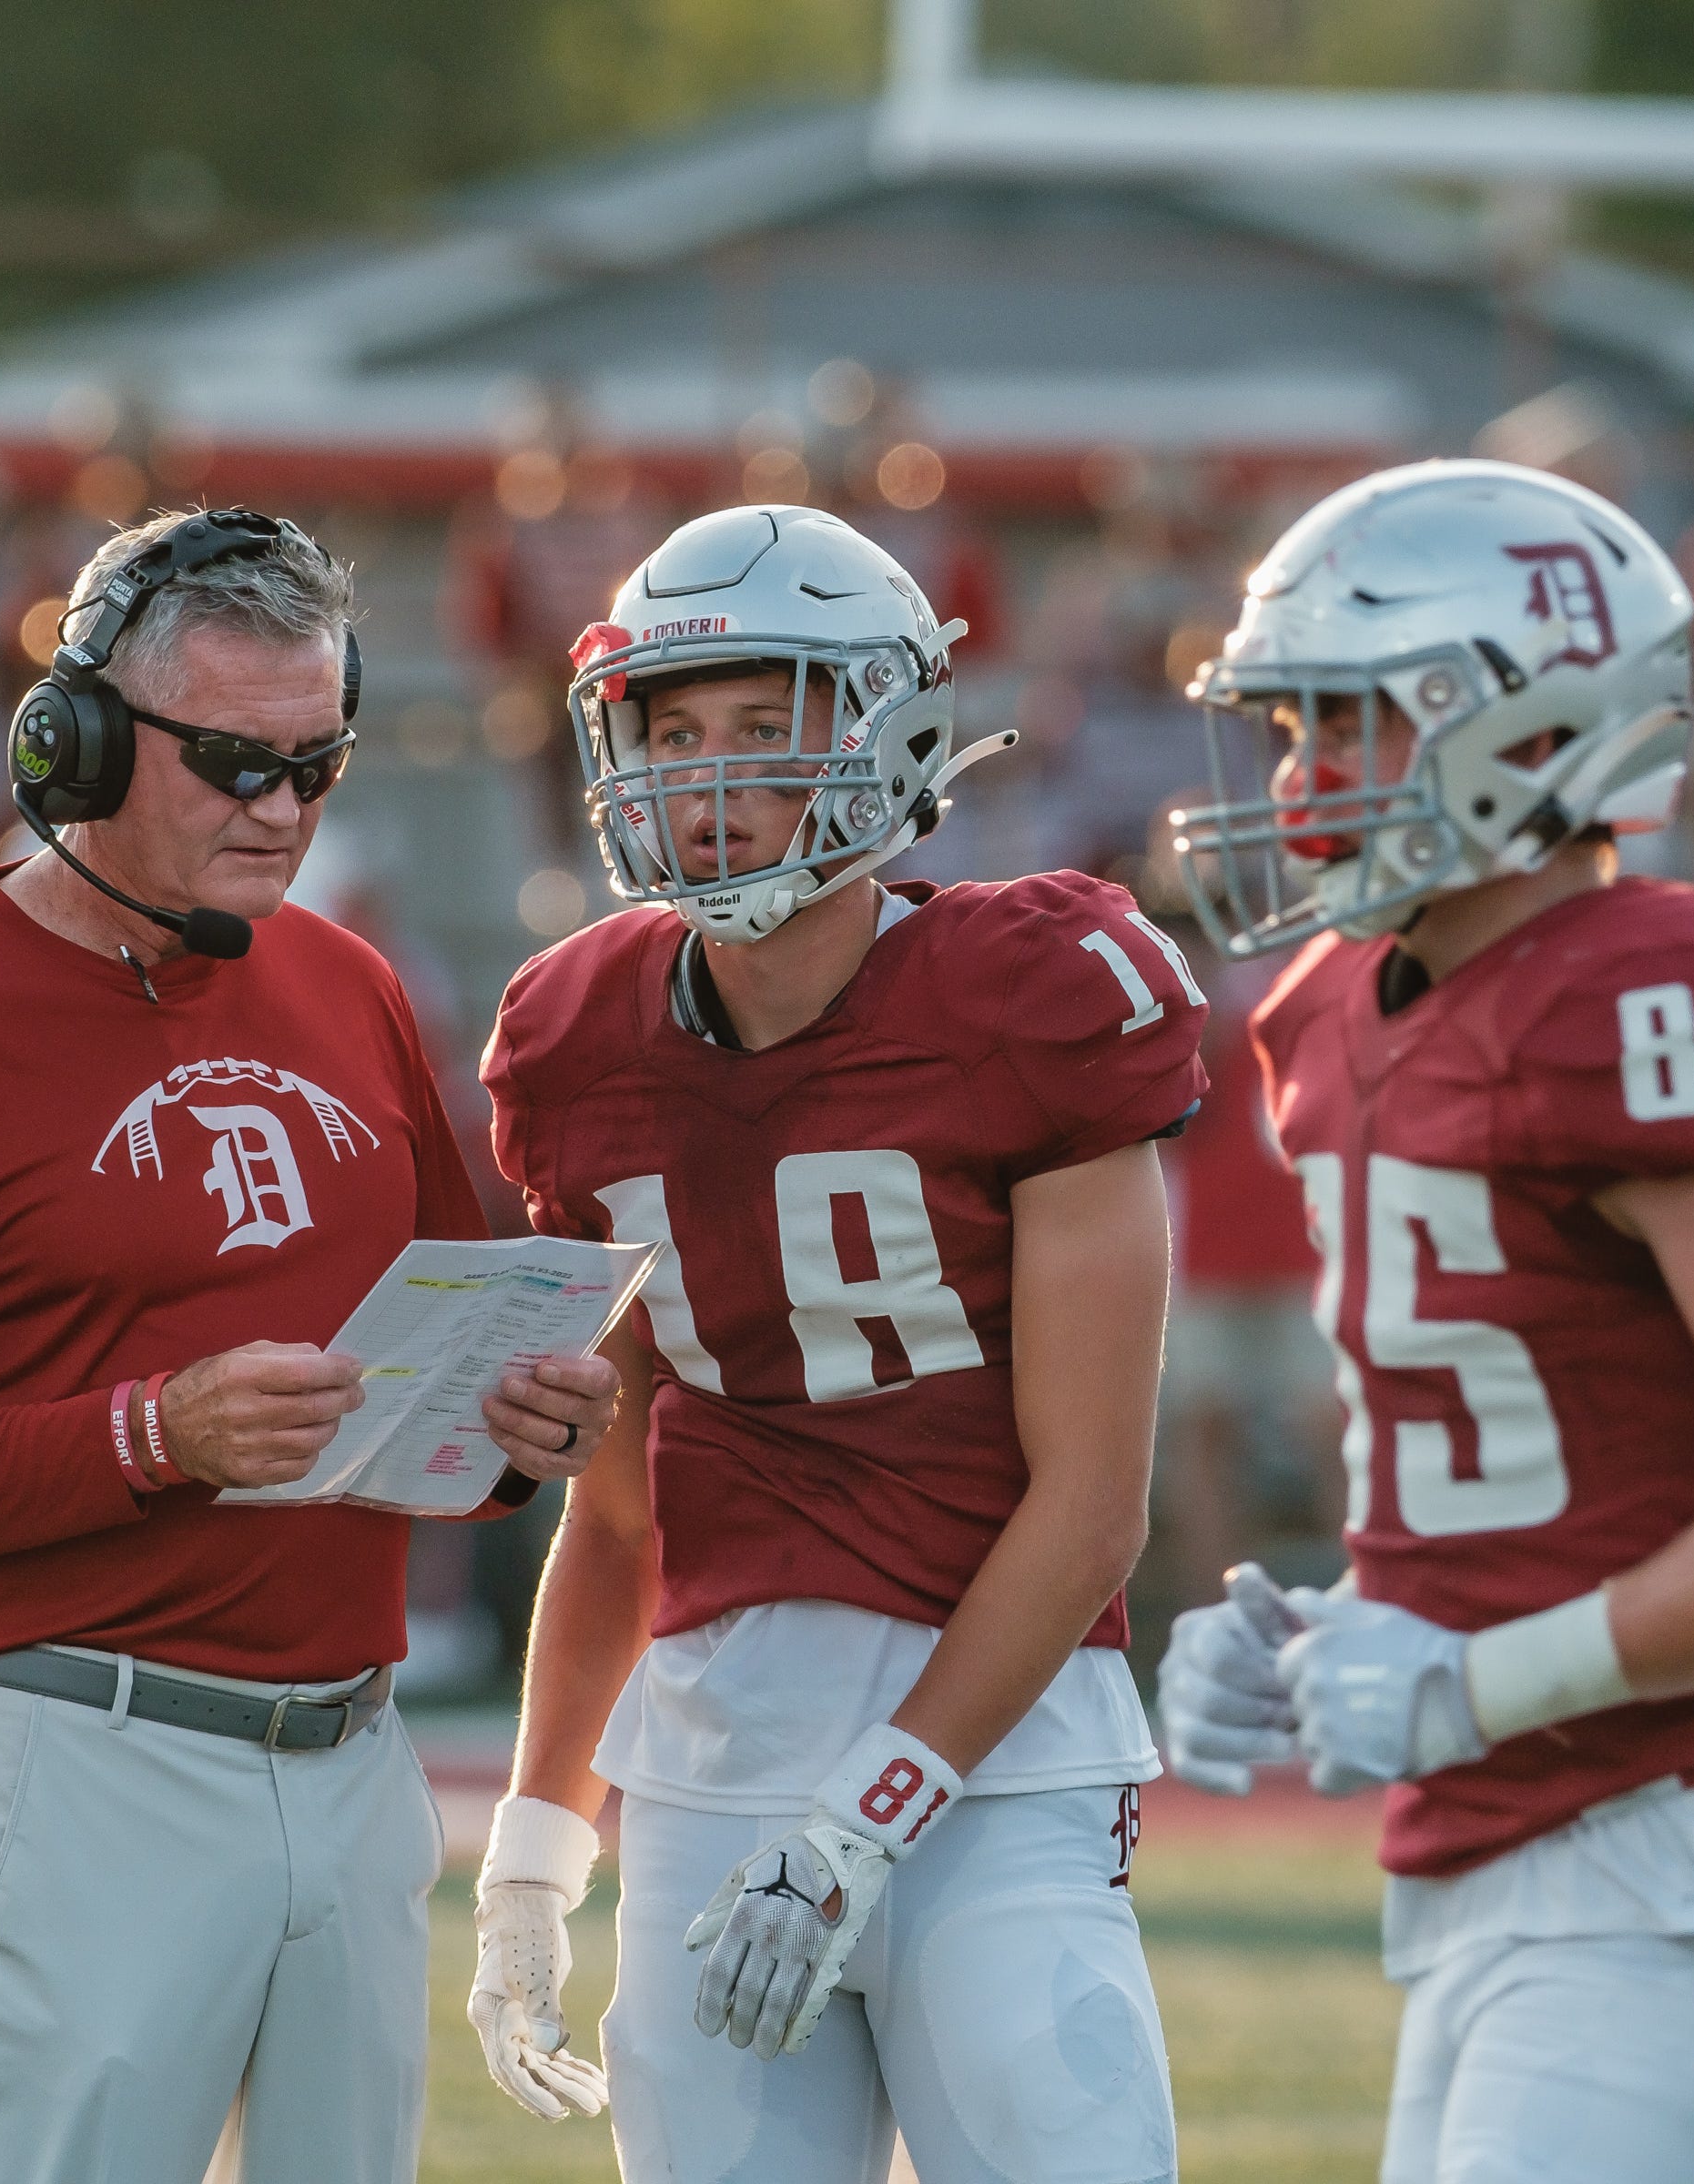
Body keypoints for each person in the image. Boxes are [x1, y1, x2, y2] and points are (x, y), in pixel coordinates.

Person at [0, 505, 623, 2184]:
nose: (282, 810)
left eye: (318, 764)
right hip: (83, 1758)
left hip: (358, 1761)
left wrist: (513, 1420)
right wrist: (151, 1435)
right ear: (68, 744)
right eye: (231, 763)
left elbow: (432, 1333)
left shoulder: (349, 980)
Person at [1158, 459, 1694, 2182]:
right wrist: (1338, 1634)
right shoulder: (1331, 1014)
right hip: (1505, 1845)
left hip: (1689, 1833)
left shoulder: (1640, 991)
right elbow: (1542, 1457)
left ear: (1532, 730)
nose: (1297, 787)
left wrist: (1469, 1684)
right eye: (1289, 733)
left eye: (1354, 728)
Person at [470, 503, 1202, 2181]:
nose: (704, 780)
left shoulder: (1036, 988)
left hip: (1001, 1752)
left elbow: (1093, 1504)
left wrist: (868, 1815)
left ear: (887, 739)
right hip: (718, 1744)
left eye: (760, 730)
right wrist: (532, 1845)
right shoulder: (577, 1036)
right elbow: (626, 1500)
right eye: (670, 731)